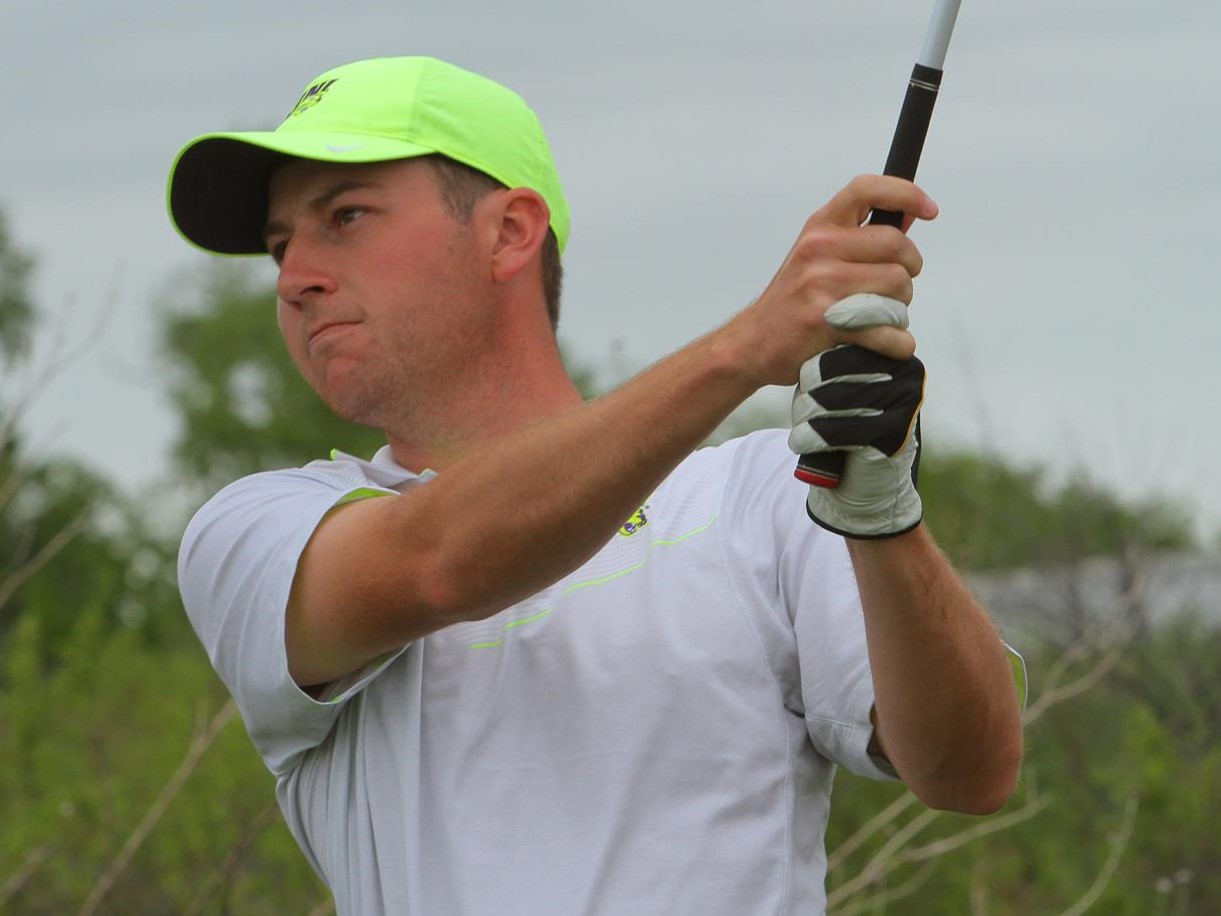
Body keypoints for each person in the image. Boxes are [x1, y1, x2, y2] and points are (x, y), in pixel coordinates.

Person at [168, 55, 1023, 915]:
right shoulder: (257, 531)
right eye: (280, 246)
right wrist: (743, 348)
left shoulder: (762, 492)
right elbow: (440, 563)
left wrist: (885, 526)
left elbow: (970, 772)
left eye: (345, 217)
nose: (294, 278)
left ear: (510, 232)